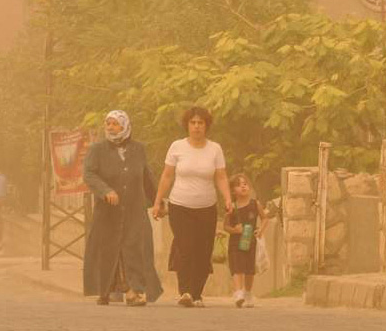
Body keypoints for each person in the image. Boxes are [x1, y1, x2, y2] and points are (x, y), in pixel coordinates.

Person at [152, 106, 233, 308]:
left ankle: (197, 293)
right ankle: (185, 291)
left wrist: (228, 199)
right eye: (193, 123)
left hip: (206, 207)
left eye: (200, 123)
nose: (196, 127)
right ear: (187, 125)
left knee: (203, 251)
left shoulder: (214, 149)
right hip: (180, 206)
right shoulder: (177, 147)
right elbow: (167, 175)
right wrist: (158, 200)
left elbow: (221, 176)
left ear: (206, 126)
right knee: (185, 247)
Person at [83, 110, 163, 306]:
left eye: (115, 124)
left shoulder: (138, 149)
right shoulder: (97, 150)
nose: (110, 127)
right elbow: (89, 174)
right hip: (108, 212)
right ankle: (111, 289)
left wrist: (158, 202)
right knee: (109, 249)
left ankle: (134, 290)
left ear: (125, 126)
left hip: (134, 209)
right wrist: (105, 191)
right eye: (108, 124)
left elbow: (146, 176)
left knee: (136, 247)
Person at [224, 173, 270, 308]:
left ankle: (248, 293)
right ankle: (239, 293)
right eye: (238, 185)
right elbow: (225, 226)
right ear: (233, 191)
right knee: (237, 267)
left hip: (251, 240)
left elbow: (265, 218)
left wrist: (260, 230)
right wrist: (234, 230)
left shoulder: (255, 204)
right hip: (235, 241)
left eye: (245, 184)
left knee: (249, 269)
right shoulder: (231, 207)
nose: (243, 186)